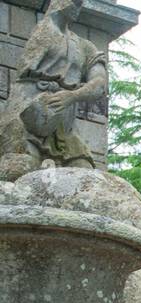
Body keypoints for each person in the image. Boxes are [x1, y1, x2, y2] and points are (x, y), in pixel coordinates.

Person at [0, 0, 107, 180]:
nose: (78, 8)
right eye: (75, 2)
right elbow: (23, 78)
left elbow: (100, 84)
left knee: (85, 176)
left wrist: (72, 95)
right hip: (29, 117)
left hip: (64, 126)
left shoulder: (84, 46)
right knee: (21, 170)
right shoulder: (44, 32)